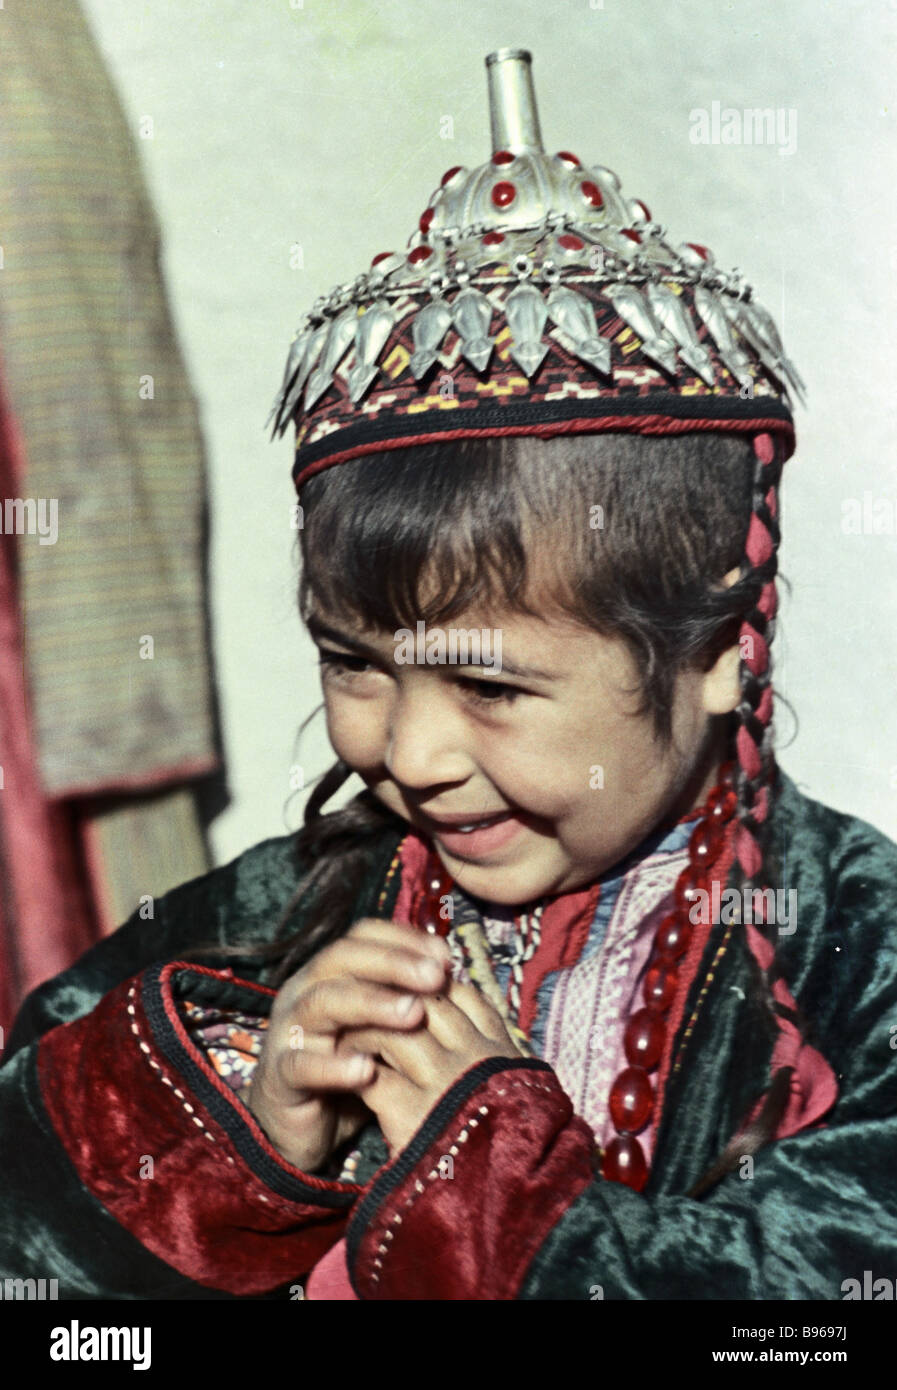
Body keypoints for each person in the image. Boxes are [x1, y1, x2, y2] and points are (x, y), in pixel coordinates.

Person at [2, 48, 895, 1302]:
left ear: (720, 654)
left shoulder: (859, 952)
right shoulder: (292, 912)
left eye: (490, 688)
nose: (409, 754)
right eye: (353, 664)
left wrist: (500, 1199)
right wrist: (250, 1132)